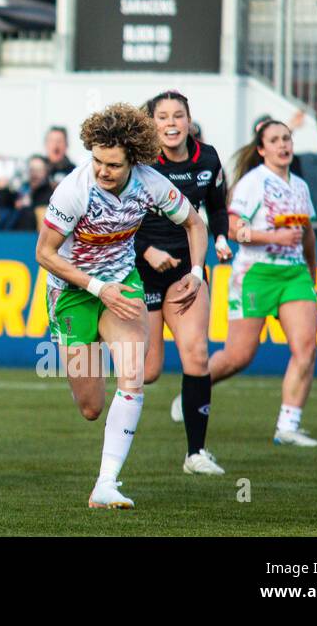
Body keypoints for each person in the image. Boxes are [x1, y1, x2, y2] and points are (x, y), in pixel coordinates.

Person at [36, 103, 207, 508]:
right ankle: (83, 352)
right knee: (91, 407)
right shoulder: (74, 190)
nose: (102, 170)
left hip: (122, 288)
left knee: (132, 374)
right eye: (97, 160)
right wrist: (97, 287)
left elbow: (194, 223)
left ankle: (106, 484)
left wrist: (196, 272)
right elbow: (44, 253)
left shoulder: (150, 182)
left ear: (133, 160)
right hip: (74, 292)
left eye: (112, 164)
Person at [136, 92, 232, 474]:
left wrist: (220, 238)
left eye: (179, 115)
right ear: (151, 123)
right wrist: (147, 251)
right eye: (163, 116)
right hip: (140, 268)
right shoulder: (139, 161)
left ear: (189, 120)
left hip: (186, 270)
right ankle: (89, 347)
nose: (172, 123)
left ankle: (195, 454)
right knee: (148, 371)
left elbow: (218, 206)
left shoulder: (207, 158)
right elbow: (119, 218)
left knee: (196, 352)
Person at [209, 120, 317, 447]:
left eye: (287, 138)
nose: (283, 144)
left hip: (294, 273)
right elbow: (232, 229)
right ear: (262, 149)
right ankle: (196, 387)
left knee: (306, 348)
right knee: (239, 356)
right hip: (256, 272)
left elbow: (307, 236)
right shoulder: (252, 183)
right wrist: (274, 237)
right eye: (275, 140)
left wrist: (312, 277)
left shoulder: (300, 186)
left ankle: (288, 425)